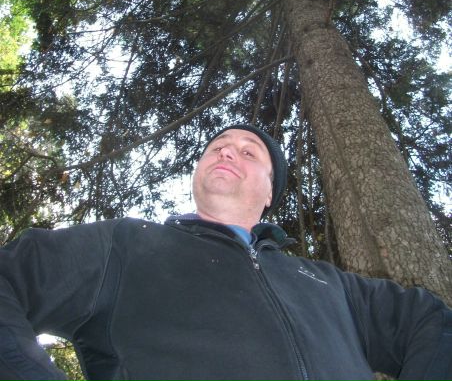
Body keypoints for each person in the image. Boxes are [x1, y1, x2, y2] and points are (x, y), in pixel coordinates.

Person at [0, 124, 451, 381]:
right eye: (217, 148)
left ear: (270, 192)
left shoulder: (329, 284)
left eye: (249, 153)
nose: (228, 153)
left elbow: (431, 322)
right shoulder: (124, 244)